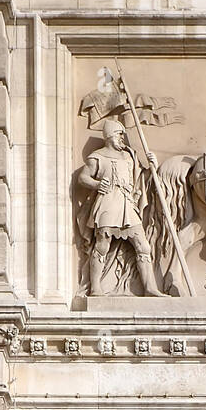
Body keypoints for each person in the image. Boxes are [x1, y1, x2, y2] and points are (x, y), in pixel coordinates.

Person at [77, 118, 162, 296]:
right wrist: (96, 184)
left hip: (127, 203)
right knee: (102, 244)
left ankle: (150, 288)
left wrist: (152, 165)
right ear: (109, 135)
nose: (122, 138)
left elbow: (139, 178)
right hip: (107, 203)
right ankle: (95, 289)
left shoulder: (129, 156)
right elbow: (83, 178)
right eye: (119, 134)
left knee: (143, 246)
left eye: (122, 135)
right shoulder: (97, 156)